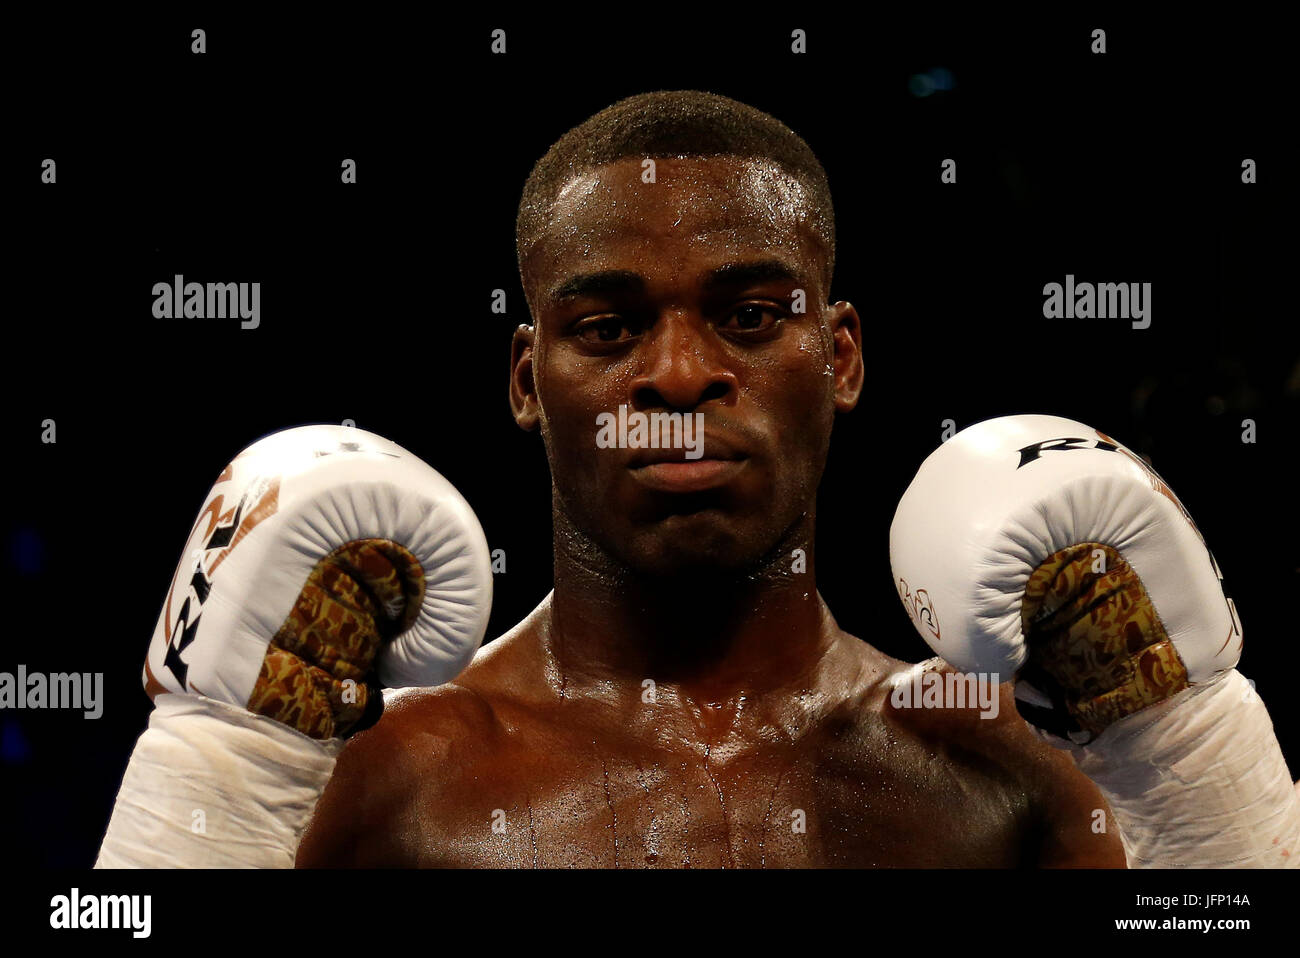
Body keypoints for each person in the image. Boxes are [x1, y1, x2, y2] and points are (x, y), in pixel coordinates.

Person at [98, 91, 1299, 870]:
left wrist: (1186, 756)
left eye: (748, 313)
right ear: (529, 378)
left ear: (839, 358)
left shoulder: (1010, 781)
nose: (679, 373)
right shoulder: (380, 784)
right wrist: (222, 770)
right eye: (608, 327)